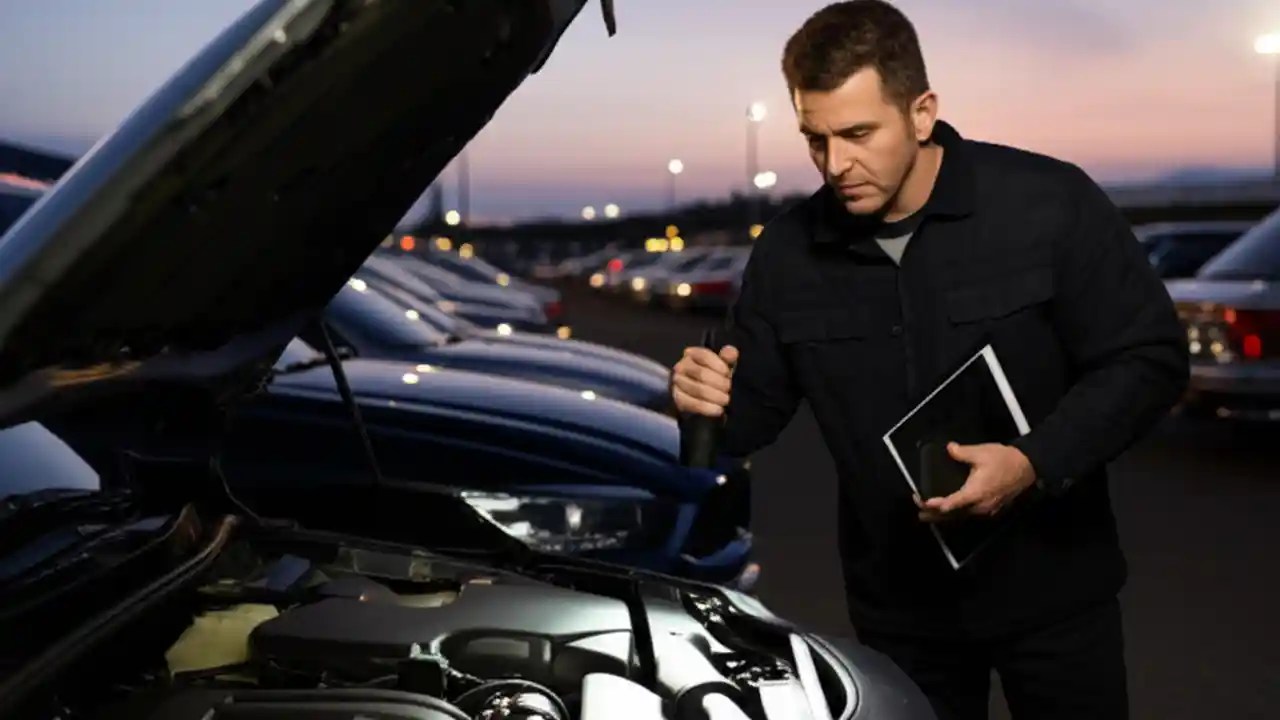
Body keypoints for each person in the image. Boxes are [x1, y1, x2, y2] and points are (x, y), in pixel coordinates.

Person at [668, 2, 1190, 719]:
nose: (834, 164)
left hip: (1057, 594)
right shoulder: (788, 253)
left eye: (857, 134)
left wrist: (1033, 461)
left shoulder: (1048, 204)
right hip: (902, 618)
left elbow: (1150, 357)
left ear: (921, 111)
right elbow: (746, 423)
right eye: (814, 139)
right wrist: (703, 402)